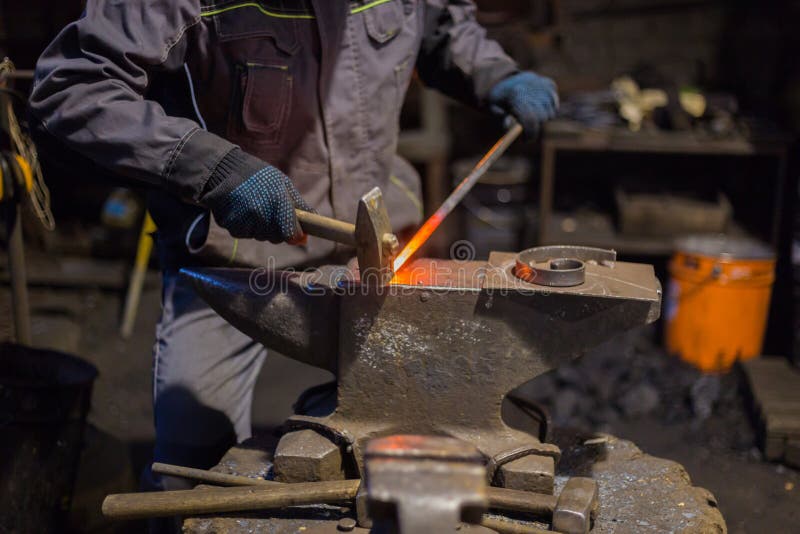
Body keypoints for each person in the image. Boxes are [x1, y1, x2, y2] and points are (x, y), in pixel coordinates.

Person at [29, 0, 558, 489]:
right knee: (189, 467)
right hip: (234, 255)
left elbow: (442, 29)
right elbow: (74, 86)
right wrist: (209, 167)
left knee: (416, 442)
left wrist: (496, 74)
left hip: (377, 253)